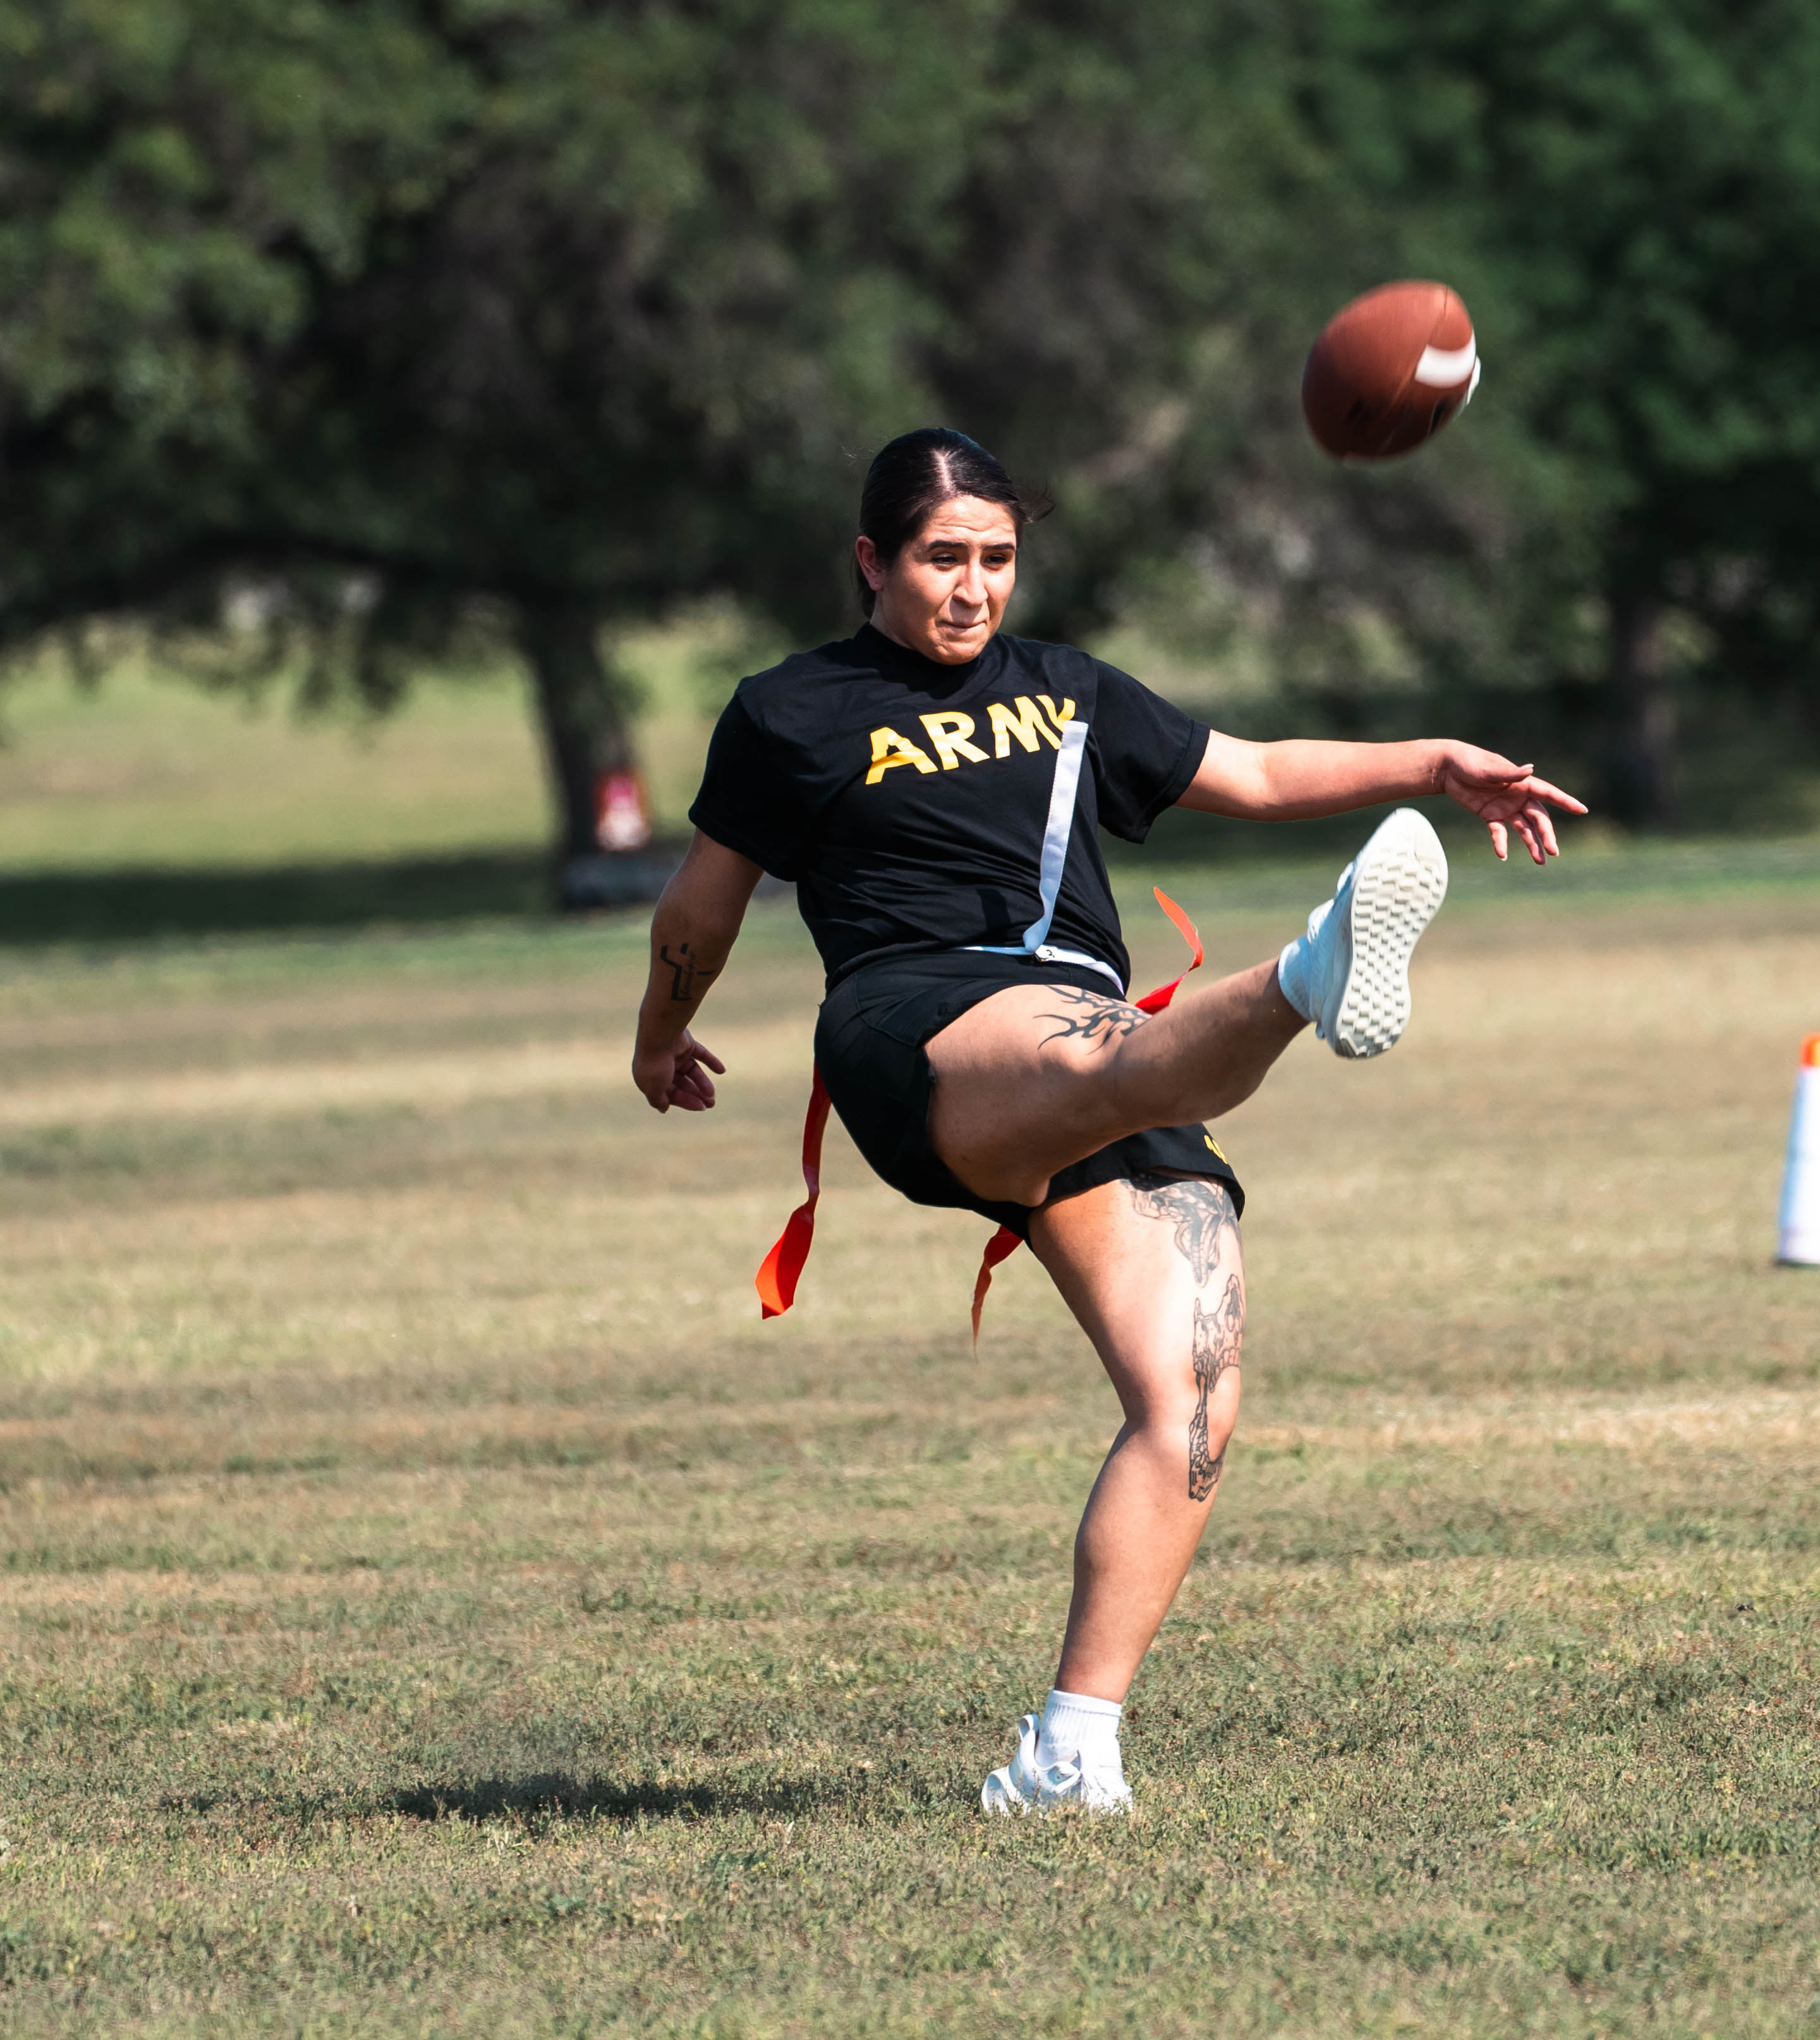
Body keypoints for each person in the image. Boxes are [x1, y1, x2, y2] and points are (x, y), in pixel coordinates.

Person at [629, 428, 1582, 1818]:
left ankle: (1071, 1752)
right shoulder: (790, 710)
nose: (973, 588)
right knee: (1113, 1056)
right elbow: (702, 907)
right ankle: (1304, 974)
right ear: (872, 561)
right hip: (918, 1019)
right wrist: (660, 1031)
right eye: (942, 558)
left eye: (998, 558)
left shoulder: (1068, 691)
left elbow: (1256, 773)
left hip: (1089, 1024)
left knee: (1191, 1392)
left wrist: (1434, 762)